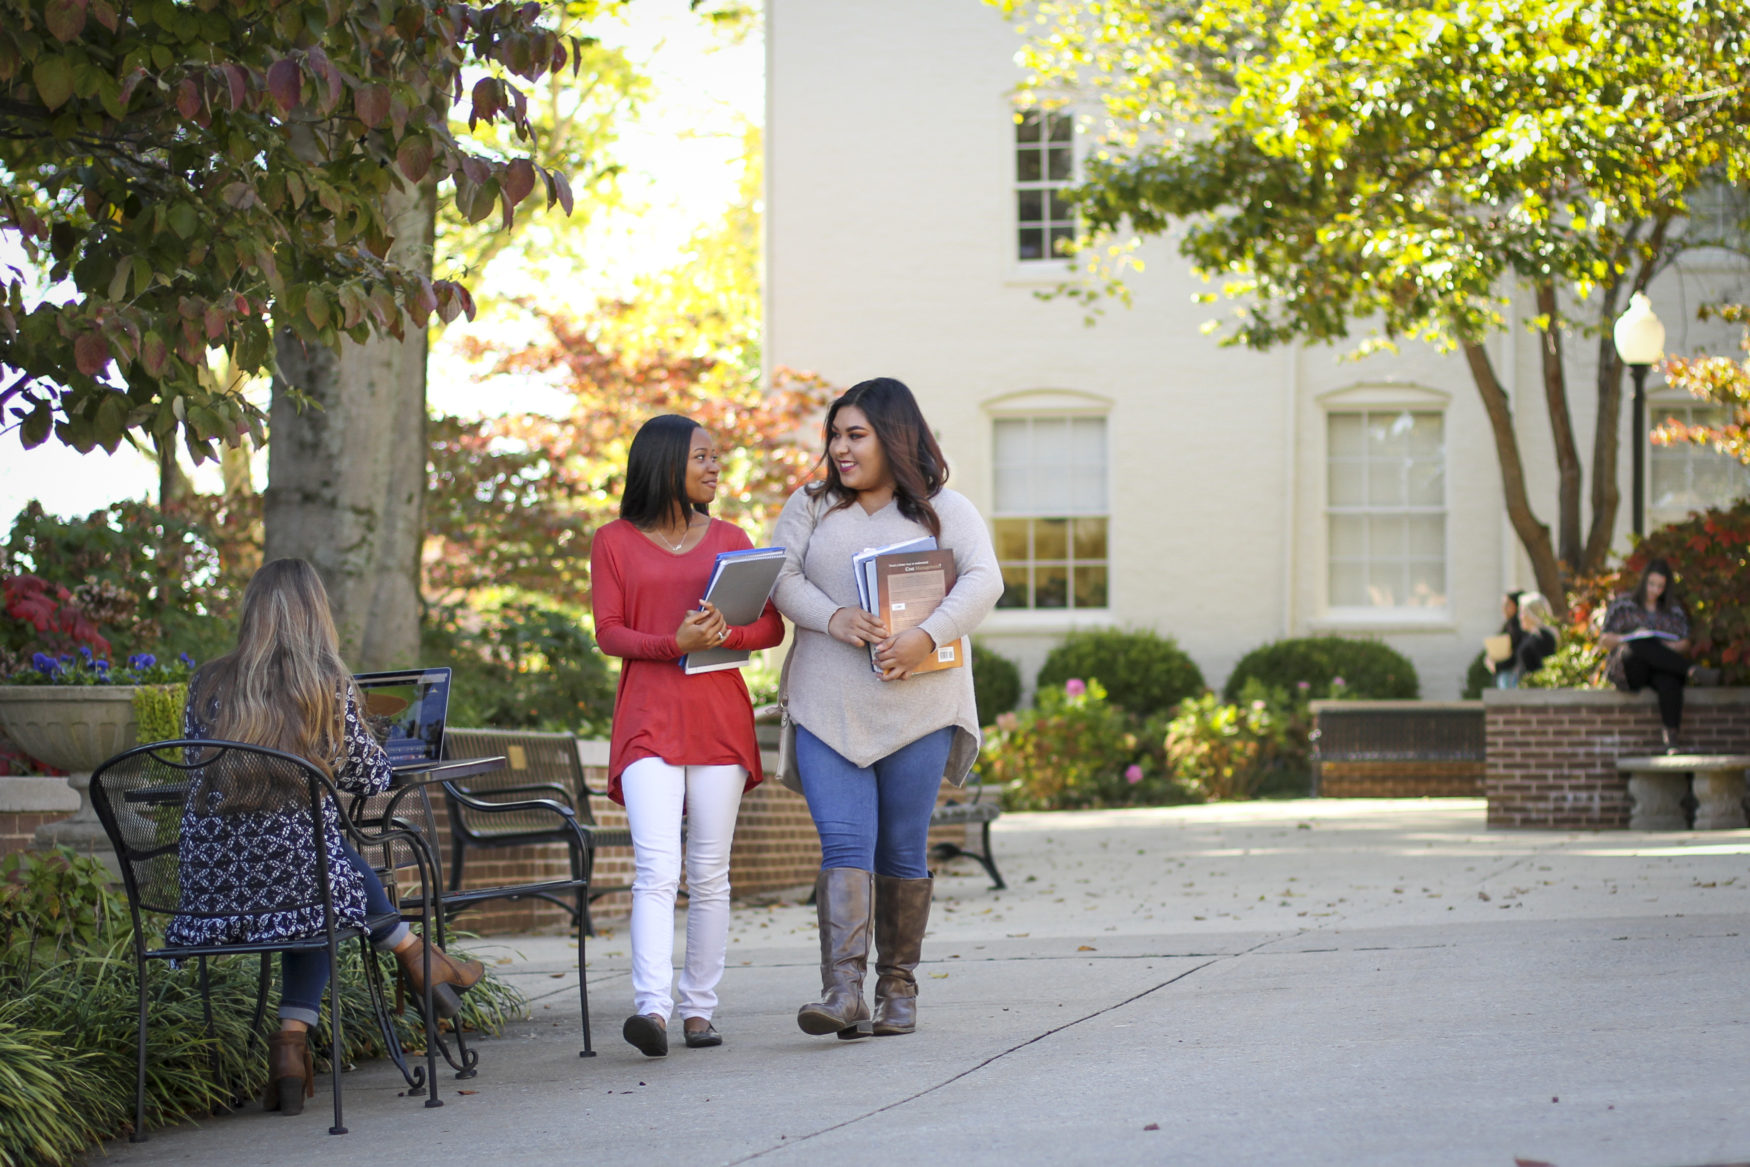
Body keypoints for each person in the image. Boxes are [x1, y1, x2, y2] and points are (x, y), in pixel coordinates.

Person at [166, 558, 483, 1117]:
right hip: (299, 882)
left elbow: (196, 760)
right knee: (321, 874)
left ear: (252, 613)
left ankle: (297, 1046)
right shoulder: (325, 684)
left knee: (320, 863)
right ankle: (413, 955)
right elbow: (372, 778)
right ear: (316, 615)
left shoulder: (207, 683)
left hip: (208, 893)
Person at [770, 377, 1002, 1040]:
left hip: (920, 708)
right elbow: (779, 576)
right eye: (835, 436)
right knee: (843, 842)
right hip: (827, 707)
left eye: (856, 435)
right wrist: (833, 616)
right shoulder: (811, 505)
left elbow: (985, 578)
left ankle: (897, 987)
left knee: (901, 846)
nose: (840, 448)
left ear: (893, 437)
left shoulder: (944, 509)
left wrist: (927, 634)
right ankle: (842, 991)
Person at [590, 414, 785, 1057]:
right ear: (666, 462)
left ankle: (700, 1009)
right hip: (647, 718)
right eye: (702, 456)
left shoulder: (732, 538)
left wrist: (727, 633)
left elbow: (771, 628)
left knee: (708, 872)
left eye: (715, 456)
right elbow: (609, 632)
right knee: (655, 869)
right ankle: (652, 1009)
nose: (714, 466)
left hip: (719, 719)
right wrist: (673, 643)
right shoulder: (613, 541)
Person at [1600, 558, 1692, 753]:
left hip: (1660, 668)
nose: (1654, 590)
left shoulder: (1673, 610)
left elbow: (1685, 642)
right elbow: (1604, 639)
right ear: (1643, 581)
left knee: (1669, 680)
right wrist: (1628, 638)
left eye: (1660, 586)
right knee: (1640, 643)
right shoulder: (1623, 604)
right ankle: (1691, 670)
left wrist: (1668, 646)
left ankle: (1671, 738)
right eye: (1651, 584)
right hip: (1631, 669)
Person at [1511, 592, 1559, 682]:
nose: (1520, 617)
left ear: (1531, 614)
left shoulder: (1543, 638)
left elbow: (1543, 671)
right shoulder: (1532, 636)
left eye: (1522, 612)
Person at [1486, 590, 1526, 688]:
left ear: (1517, 606)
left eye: (1507, 605)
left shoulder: (1519, 627)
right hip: (1505, 672)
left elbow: (1516, 654)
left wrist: (1497, 665)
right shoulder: (1508, 625)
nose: (1503, 608)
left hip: (1513, 673)